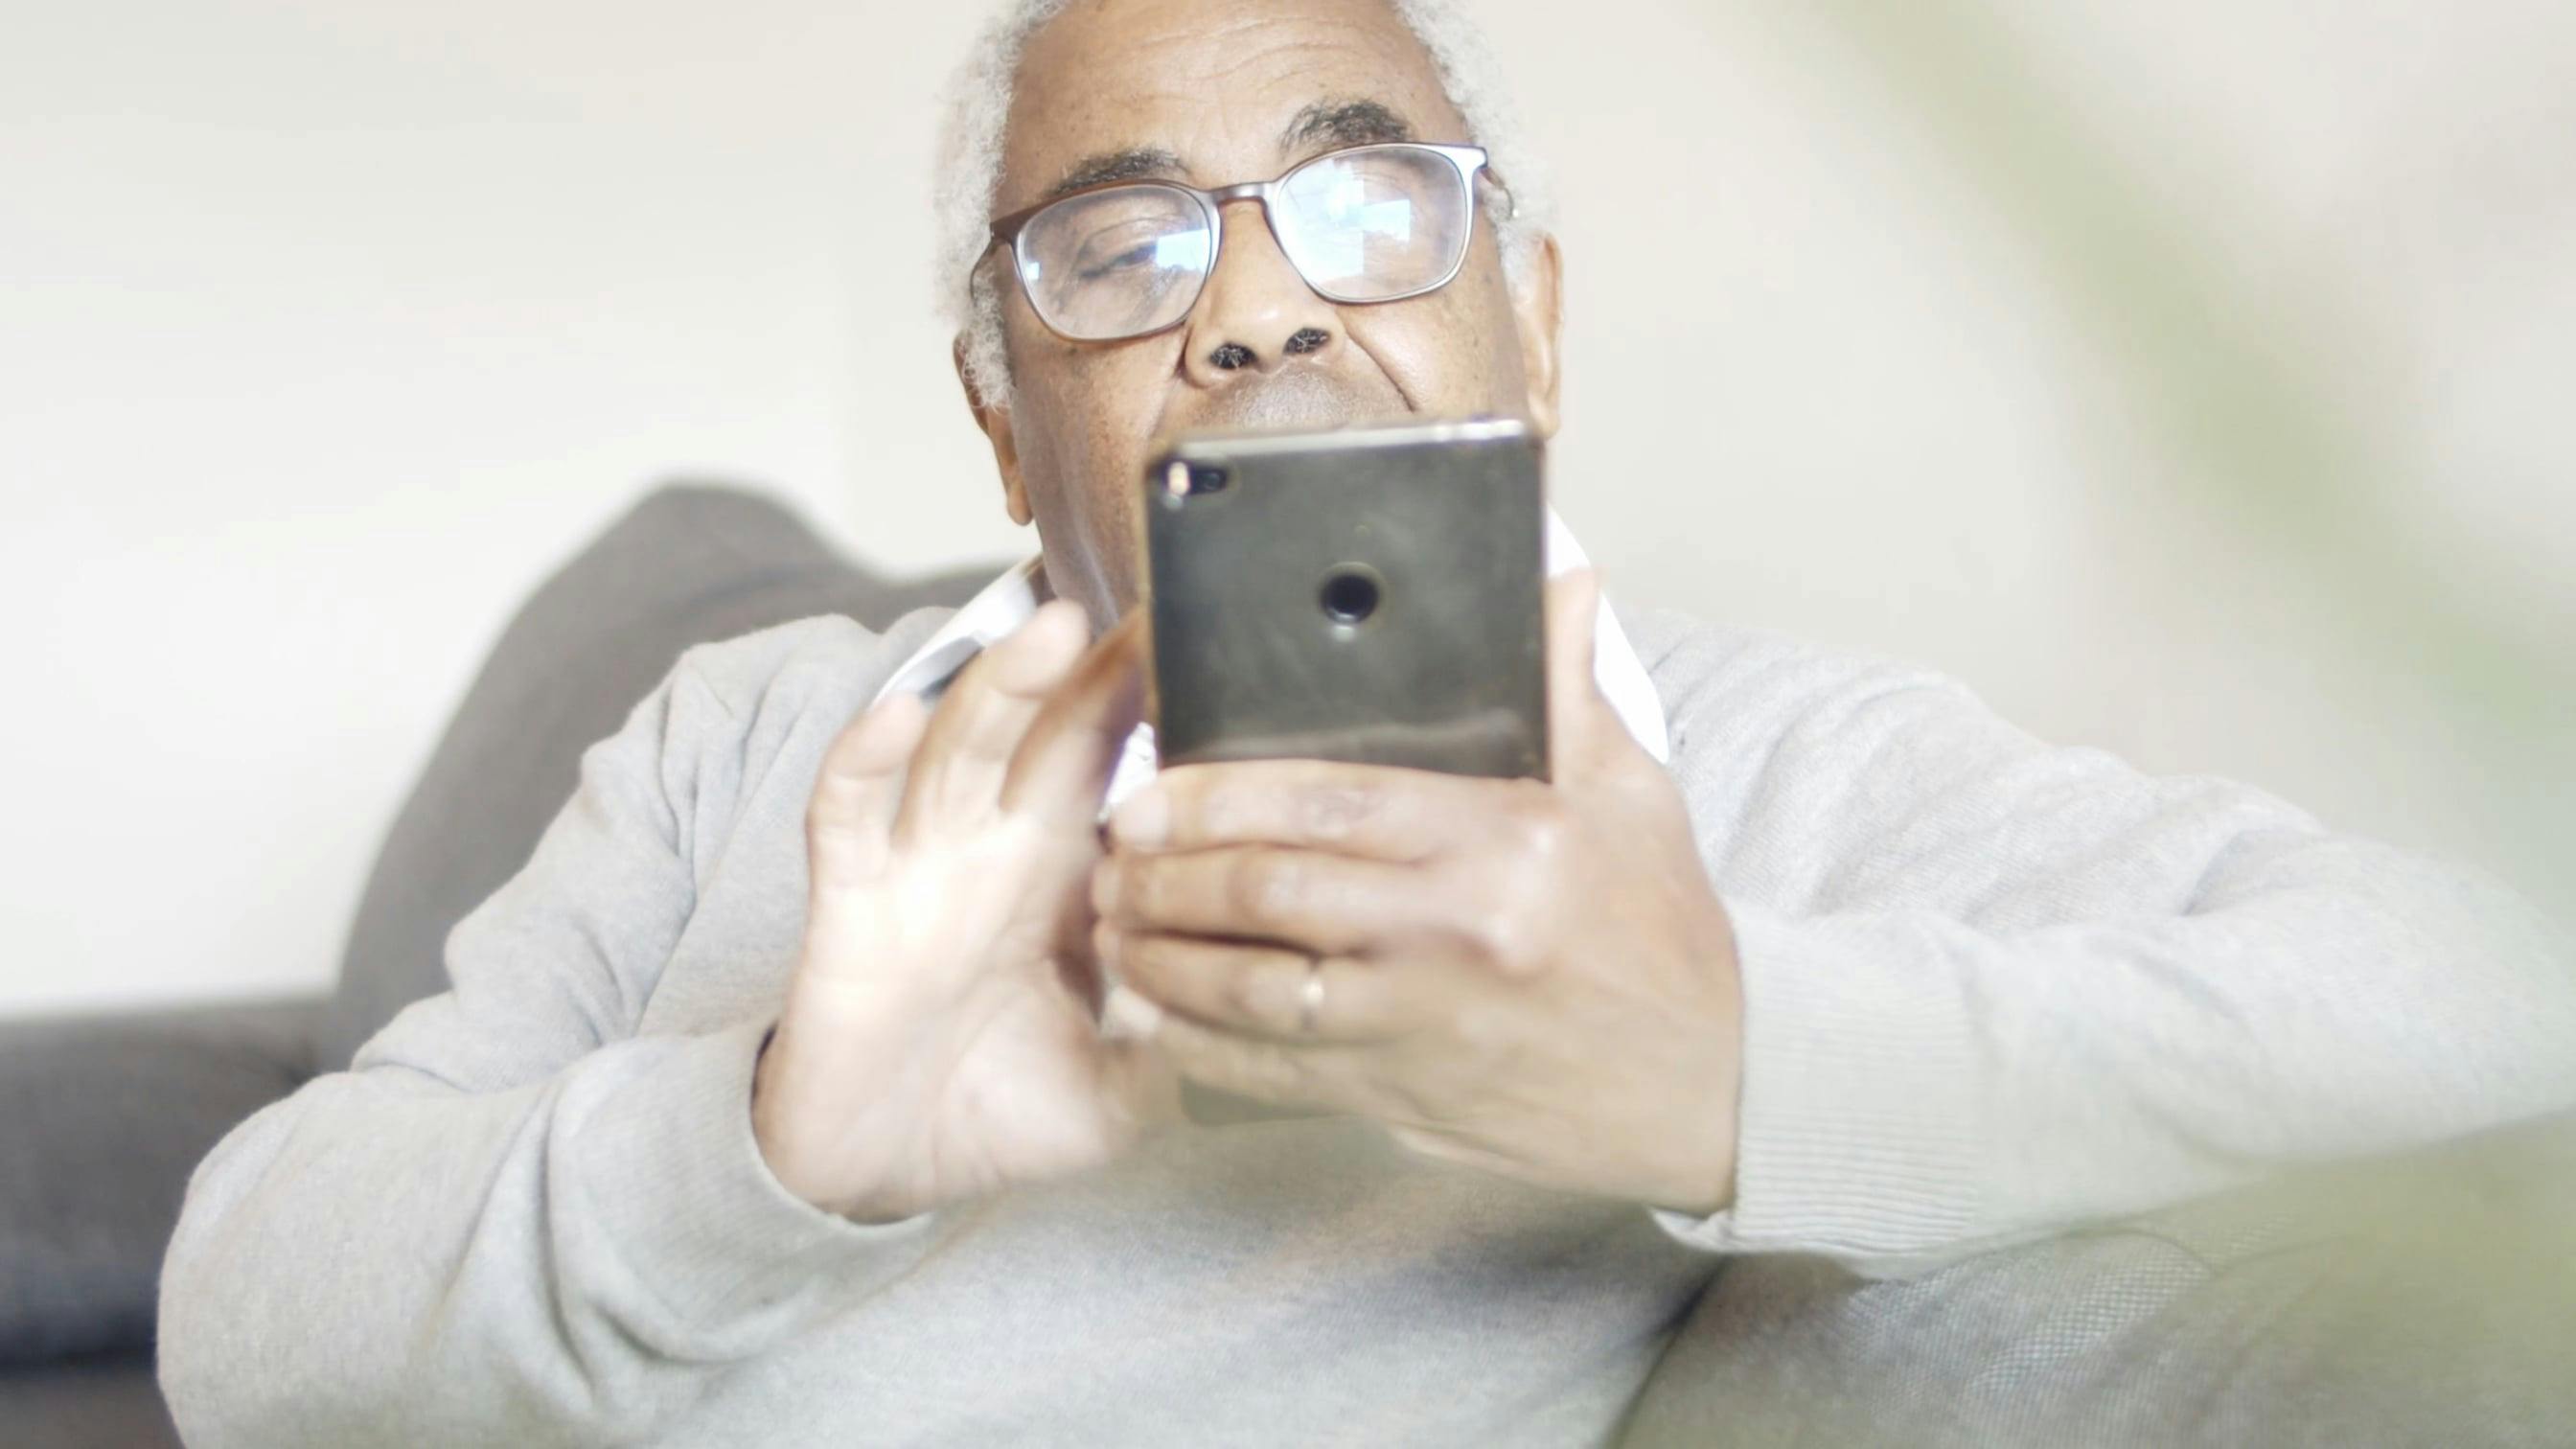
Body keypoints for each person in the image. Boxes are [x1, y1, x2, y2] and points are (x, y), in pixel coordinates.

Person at [156, 0, 2576, 1444]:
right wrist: (783, 1137)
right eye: (1118, 247)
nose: (1254, 315)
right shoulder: (755, 730)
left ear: (1534, 316)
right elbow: (238, 1320)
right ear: (1006, 435)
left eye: (1367, 204)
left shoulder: (1743, 774)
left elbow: (2484, 990)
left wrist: (1721, 1066)